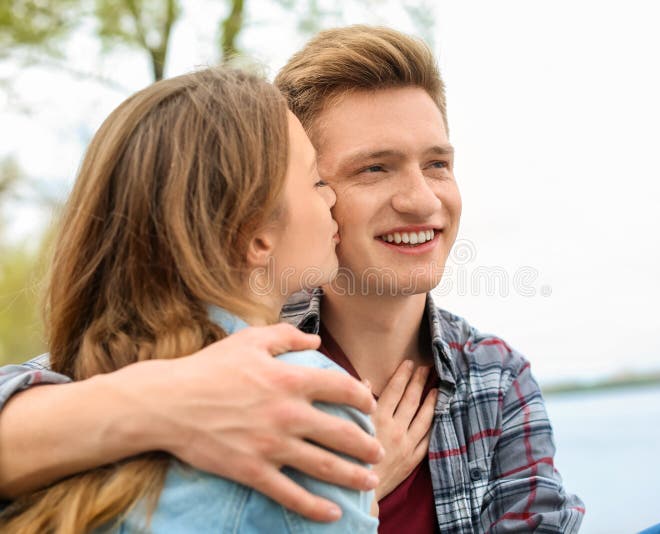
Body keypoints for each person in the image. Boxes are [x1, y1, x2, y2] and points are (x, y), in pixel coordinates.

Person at [0, 25, 660, 534]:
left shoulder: (493, 379)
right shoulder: (216, 353)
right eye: (374, 167)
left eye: (437, 163)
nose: (422, 198)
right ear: (282, 194)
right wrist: (164, 402)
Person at [0, 67, 385, 533]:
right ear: (256, 234)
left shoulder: (61, 383)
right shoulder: (301, 398)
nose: (332, 201)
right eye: (316, 181)